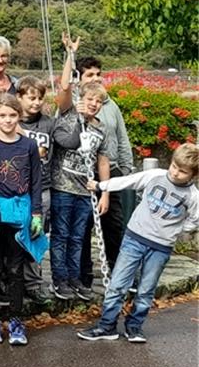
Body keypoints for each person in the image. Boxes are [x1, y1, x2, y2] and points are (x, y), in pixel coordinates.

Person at [77, 145, 199, 342]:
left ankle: (134, 326)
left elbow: (194, 220)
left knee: (146, 289)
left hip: (161, 247)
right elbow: (128, 181)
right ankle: (107, 325)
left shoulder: (193, 196)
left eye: (183, 171)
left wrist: (176, 230)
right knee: (118, 284)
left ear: (193, 175)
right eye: (174, 166)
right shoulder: (155, 176)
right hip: (135, 238)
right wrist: (101, 186)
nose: (175, 173)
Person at [0, 94, 45, 345]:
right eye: (2, 115)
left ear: (19, 116)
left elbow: (36, 181)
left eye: (12, 115)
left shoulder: (28, 146)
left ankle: (16, 318)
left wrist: (36, 213)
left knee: (16, 268)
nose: (7, 120)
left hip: (20, 211)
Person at [68, 54, 133, 286]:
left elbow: (121, 138)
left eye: (98, 74)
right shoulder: (72, 106)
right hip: (83, 173)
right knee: (83, 226)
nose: (95, 78)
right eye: (89, 75)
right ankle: (83, 274)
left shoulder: (110, 105)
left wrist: (126, 169)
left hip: (110, 170)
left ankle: (119, 272)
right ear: (79, 78)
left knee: (113, 225)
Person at [49, 80, 110, 301]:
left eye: (98, 101)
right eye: (90, 99)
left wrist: (105, 192)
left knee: (77, 238)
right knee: (61, 235)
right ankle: (60, 278)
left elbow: (103, 161)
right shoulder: (66, 116)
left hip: (86, 191)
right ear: (80, 99)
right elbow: (64, 89)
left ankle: (75, 278)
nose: (94, 104)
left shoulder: (101, 128)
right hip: (63, 187)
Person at [16, 75, 55, 304]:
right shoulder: (12, 121)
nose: (36, 102)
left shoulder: (48, 123)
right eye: (31, 98)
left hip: (42, 187)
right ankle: (11, 280)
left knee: (36, 234)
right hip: (16, 188)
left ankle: (33, 282)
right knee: (13, 235)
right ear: (19, 97)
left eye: (40, 98)